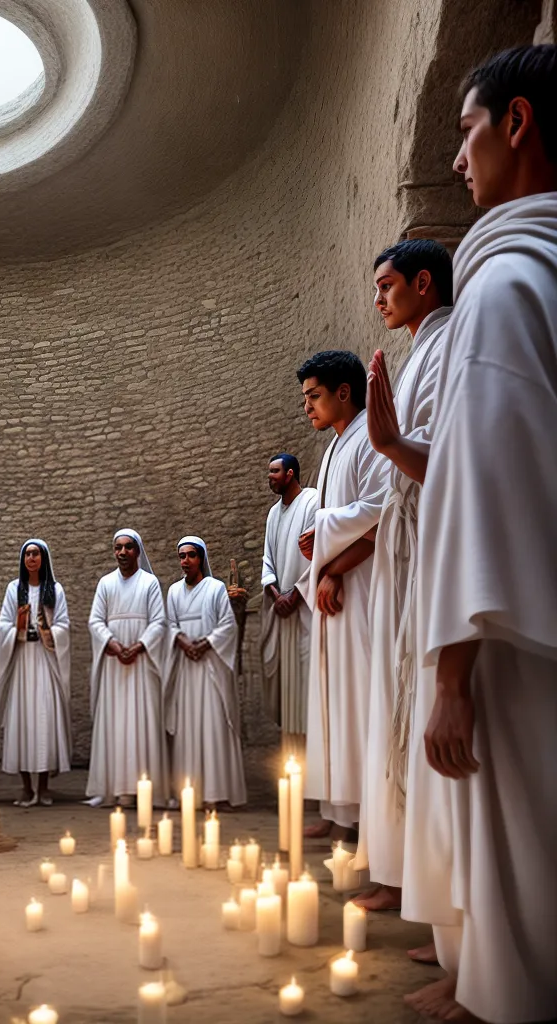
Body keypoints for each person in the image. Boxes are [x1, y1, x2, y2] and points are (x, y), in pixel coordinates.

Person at [402, 45, 557, 1024]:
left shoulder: (500, 290)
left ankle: (507, 995)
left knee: (521, 822)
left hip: (510, 629)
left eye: (464, 130)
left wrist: (451, 676)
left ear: (516, 123)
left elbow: (484, 485)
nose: (457, 159)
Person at [350, 239, 453, 919]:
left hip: (430, 548)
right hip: (401, 548)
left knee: (419, 707)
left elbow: (452, 460)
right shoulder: (422, 352)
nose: (380, 299)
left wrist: (389, 446)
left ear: (423, 282)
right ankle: (400, 874)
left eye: (388, 286)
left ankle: (432, 891)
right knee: (397, 704)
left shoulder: (447, 348)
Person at [296, 351, 386, 837]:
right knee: (335, 701)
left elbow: (380, 515)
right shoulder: (334, 448)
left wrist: (331, 568)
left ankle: (366, 819)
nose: (307, 406)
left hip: (362, 590)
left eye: (314, 396)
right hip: (337, 591)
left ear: (344, 392)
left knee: (359, 700)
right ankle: (341, 811)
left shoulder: (370, 439)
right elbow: (341, 520)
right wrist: (321, 548)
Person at [86, 529, 168, 806]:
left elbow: (159, 621)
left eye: (128, 547)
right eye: (118, 548)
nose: (122, 553)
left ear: (137, 551)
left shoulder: (150, 583)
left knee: (141, 722)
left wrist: (139, 646)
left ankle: (142, 787)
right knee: (117, 723)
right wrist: (113, 644)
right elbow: (95, 621)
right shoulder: (105, 583)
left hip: (141, 663)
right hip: (114, 664)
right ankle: (118, 788)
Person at [165, 536, 246, 808]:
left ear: (200, 558)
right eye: (181, 556)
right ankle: (190, 792)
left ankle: (215, 793)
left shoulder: (216, 588)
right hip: (186, 669)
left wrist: (206, 643)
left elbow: (227, 625)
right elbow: (170, 625)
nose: (185, 561)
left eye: (190, 555)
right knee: (188, 728)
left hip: (210, 666)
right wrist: (185, 643)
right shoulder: (174, 591)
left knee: (212, 727)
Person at [0, 539, 71, 807]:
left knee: (44, 719)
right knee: (23, 720)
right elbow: (2, 625)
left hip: (45, 661)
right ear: (22, 560)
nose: (31, 558)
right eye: (27, 554)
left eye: (36, 553)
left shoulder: (55, 590)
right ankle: (26, 787)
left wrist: (49, 631)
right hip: (23, 662)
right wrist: (18, 628)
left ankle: (44, 787)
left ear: (44, 558)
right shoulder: (14, 589)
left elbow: (64, 625)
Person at [260, 453, 318, 758]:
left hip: (306, 610)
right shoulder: (273, 514)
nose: (269, 477)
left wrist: (295, 596)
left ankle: (316, 766)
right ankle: (294, 768)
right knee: (289, 689)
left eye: (274, 472)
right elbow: (267, 559)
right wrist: (275, 593)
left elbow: (320, 551)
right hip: (282, 611)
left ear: (290, 473)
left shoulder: (312, 501)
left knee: (308, 688)